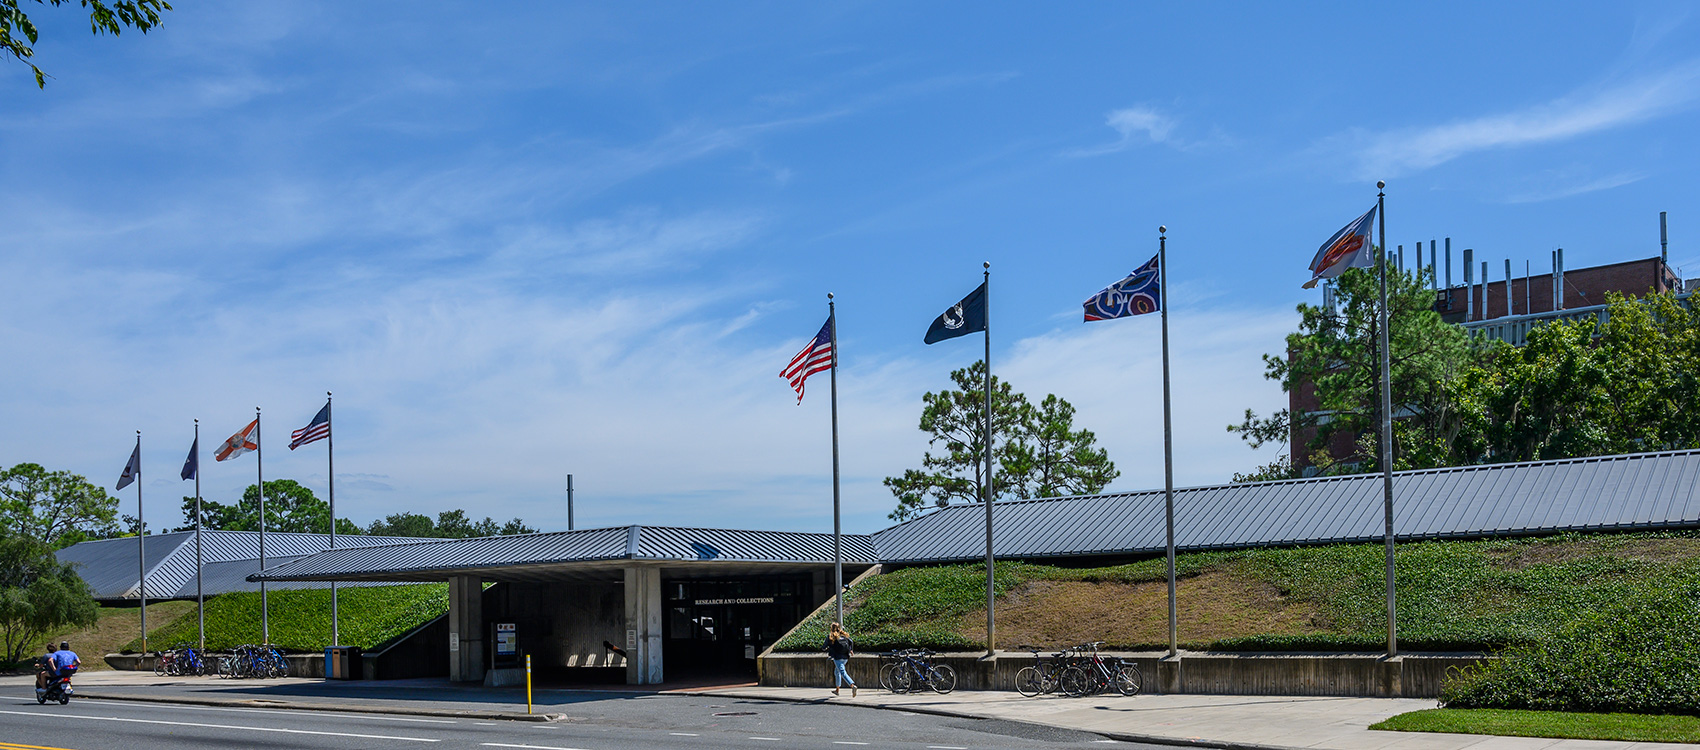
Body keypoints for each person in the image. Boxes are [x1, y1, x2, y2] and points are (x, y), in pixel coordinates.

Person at [824, 622, 856, 697]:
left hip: (837, 657)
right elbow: (851, 642)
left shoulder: (831, 636)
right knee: (837, 672)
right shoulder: (844, 635)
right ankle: (837, 690)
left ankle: (852, 685)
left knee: (842, 672)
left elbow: (824, 646)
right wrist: (851, 650)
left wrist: (825, 648)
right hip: (846, 657)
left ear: (831, 628)